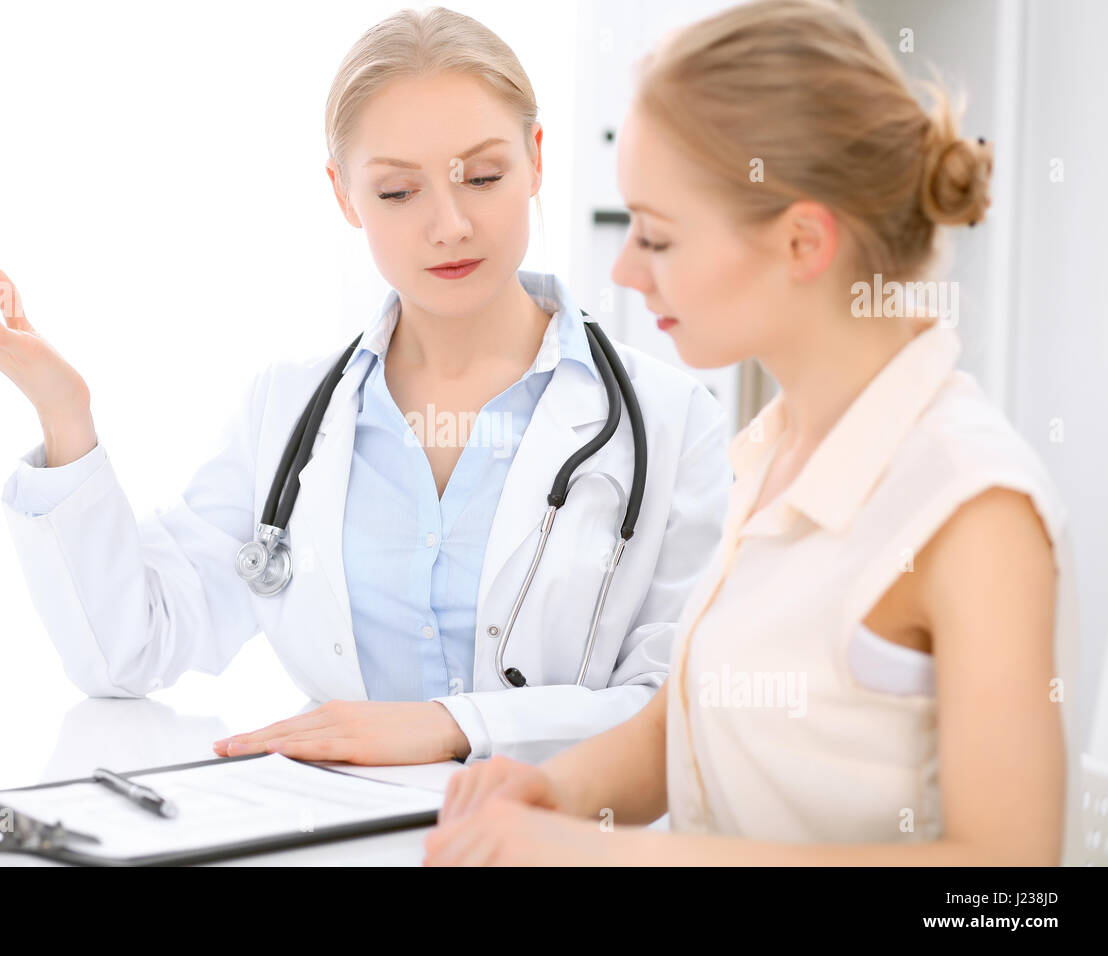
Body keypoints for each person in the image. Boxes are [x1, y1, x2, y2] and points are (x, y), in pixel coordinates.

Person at [0, 7, 731, 767]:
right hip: (329, 838)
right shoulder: (288, 412)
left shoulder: (670, 419)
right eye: (398, 191)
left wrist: (454, 726)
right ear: (343, 195)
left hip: (560, 844)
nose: (449, 223)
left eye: (481, 176)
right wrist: (64, 414)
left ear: (537, 160)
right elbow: (130, 648)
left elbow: (679, 704)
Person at [423, 0, 1081, 863]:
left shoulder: (972, 506)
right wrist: (560, 790)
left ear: (804, 240)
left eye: (656, 237)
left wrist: (598, 854)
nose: (623, 268)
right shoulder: (779, 445)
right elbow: (700, 716)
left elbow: (1006, 887)